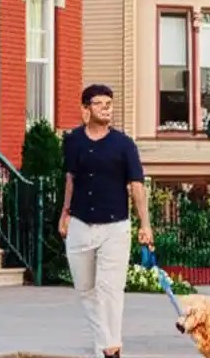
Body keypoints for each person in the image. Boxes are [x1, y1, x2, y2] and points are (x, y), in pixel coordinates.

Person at [60, 84, 153, 358]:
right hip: (80, 223)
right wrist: (64, 213)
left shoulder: (124, 145)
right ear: (86, 109)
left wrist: (145, 224)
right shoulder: (73, 141)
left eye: (109, 104)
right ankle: (107, 344)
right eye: (99, 104)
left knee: (109, 289)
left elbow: (137, 186)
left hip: (115, 227)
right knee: (85, 289)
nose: (105, 109)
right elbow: (70, 179)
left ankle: (110, 347)